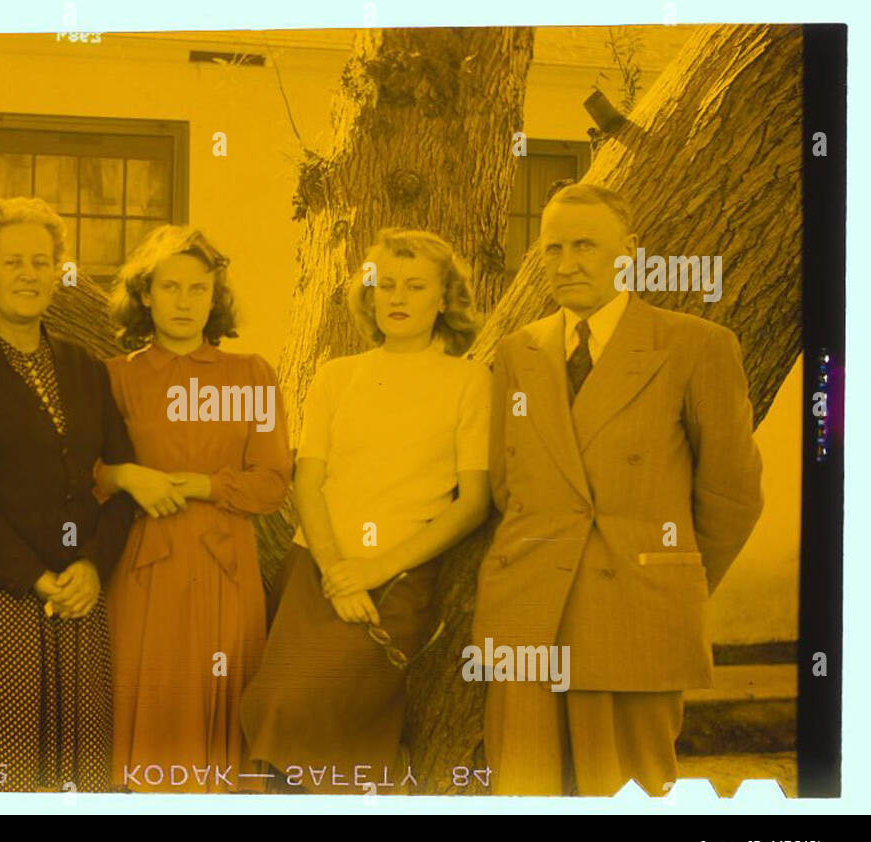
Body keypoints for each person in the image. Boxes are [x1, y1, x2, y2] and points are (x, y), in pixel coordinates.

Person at [474, 182, 764, 796]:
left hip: (637, 612)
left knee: (626, 792)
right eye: (552, 248)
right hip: (526, 613)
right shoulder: (518, 351)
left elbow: (732, 494)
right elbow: (508, 483)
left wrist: (667, 577)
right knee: (524, 791)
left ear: (627, 252)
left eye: (585, 245)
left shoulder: (695, 345)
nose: (567, 262)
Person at [241, 229, 492, 793]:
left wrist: (372, 573)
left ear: (444, 299)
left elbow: (474, 503)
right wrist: (336, 571)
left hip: (398, 578)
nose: (397, 297)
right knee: (275, 706)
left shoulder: (470, 381)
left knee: (332, 715)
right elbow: (308, 479)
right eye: (386, 286)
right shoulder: (337, 374)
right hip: (317, 570)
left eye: (416, 286)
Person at [0, 197, 137, 792]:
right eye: (12, 262)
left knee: (81, 770)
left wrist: (93, 565)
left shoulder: (84, 364)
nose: (29, 274)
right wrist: (37, 578)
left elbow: (122, 477)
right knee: (2, 774)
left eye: (42, 262)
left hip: (82, 596)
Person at [97, 226, 292, 793]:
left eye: (198, 289)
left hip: (225, 568)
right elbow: (86, 475)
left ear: (215, 298)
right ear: (145, 295)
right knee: (150, 707)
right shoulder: (117, 376)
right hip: (142, 569)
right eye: (170, 287)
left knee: (220, 709)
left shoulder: (250, 374)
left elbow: (273, 483)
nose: (184, 302)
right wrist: (126, 476)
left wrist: (207, 485)